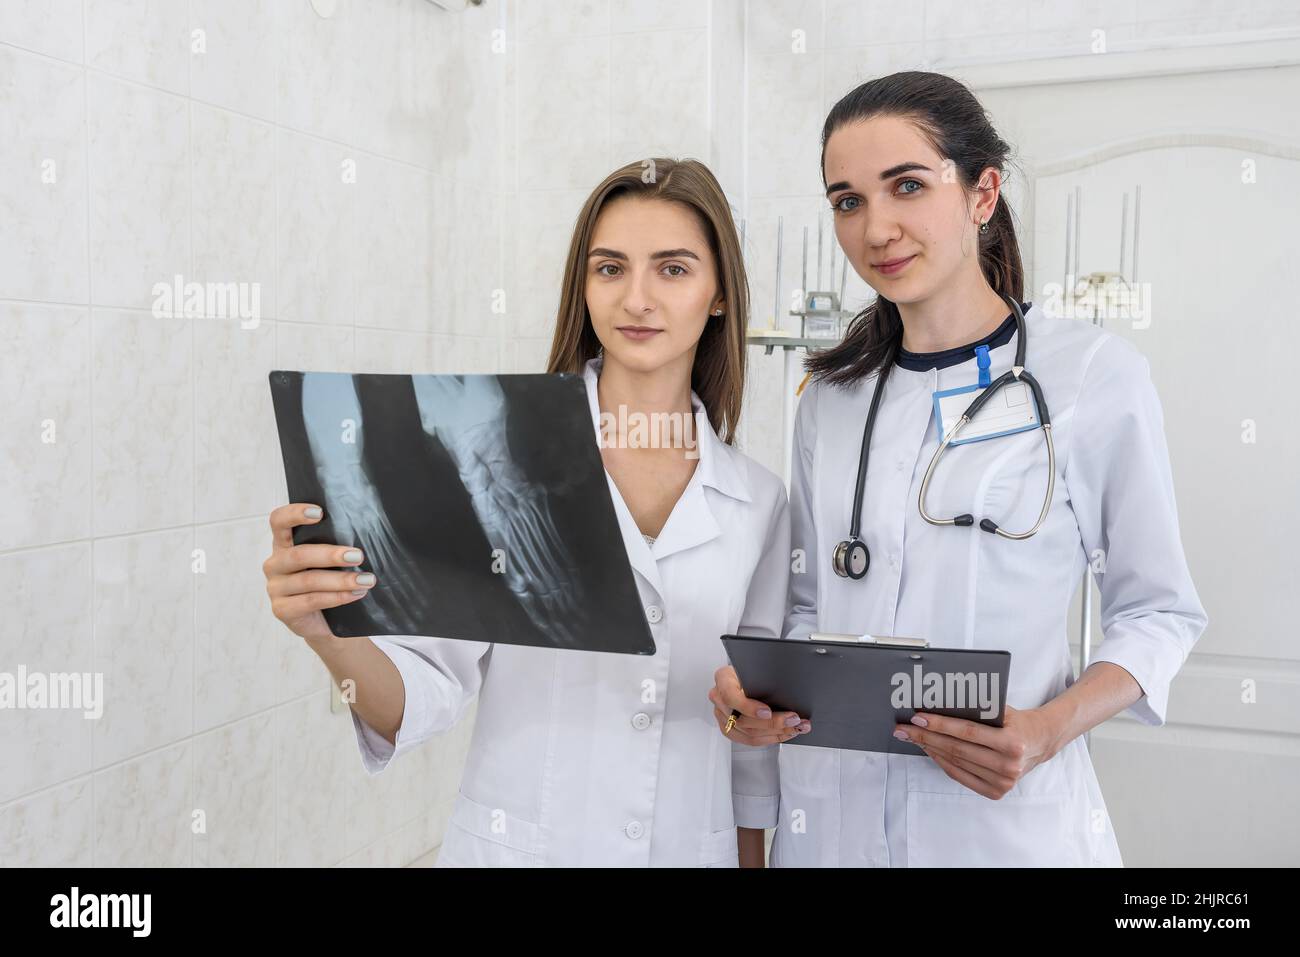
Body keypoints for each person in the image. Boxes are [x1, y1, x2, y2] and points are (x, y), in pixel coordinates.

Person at [709, 72, 1208, 867]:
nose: (877, 228)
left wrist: (1046, 731)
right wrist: (759, 700)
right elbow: (809, 607)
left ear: (983, 193)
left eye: (907, 186)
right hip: (832, 825)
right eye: (848, 200)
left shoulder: (1090, 378)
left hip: (1001, 828)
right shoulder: (829, 402)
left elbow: (1159, 614)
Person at [263, 158, 796, 866]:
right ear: (584, 287)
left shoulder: (758, 500)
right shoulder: (490, 458)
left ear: (720, 293)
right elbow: (421, 691)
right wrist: (321, 631)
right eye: (610, 269)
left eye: (672, 269)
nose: (637, 298)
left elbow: (754, 752)